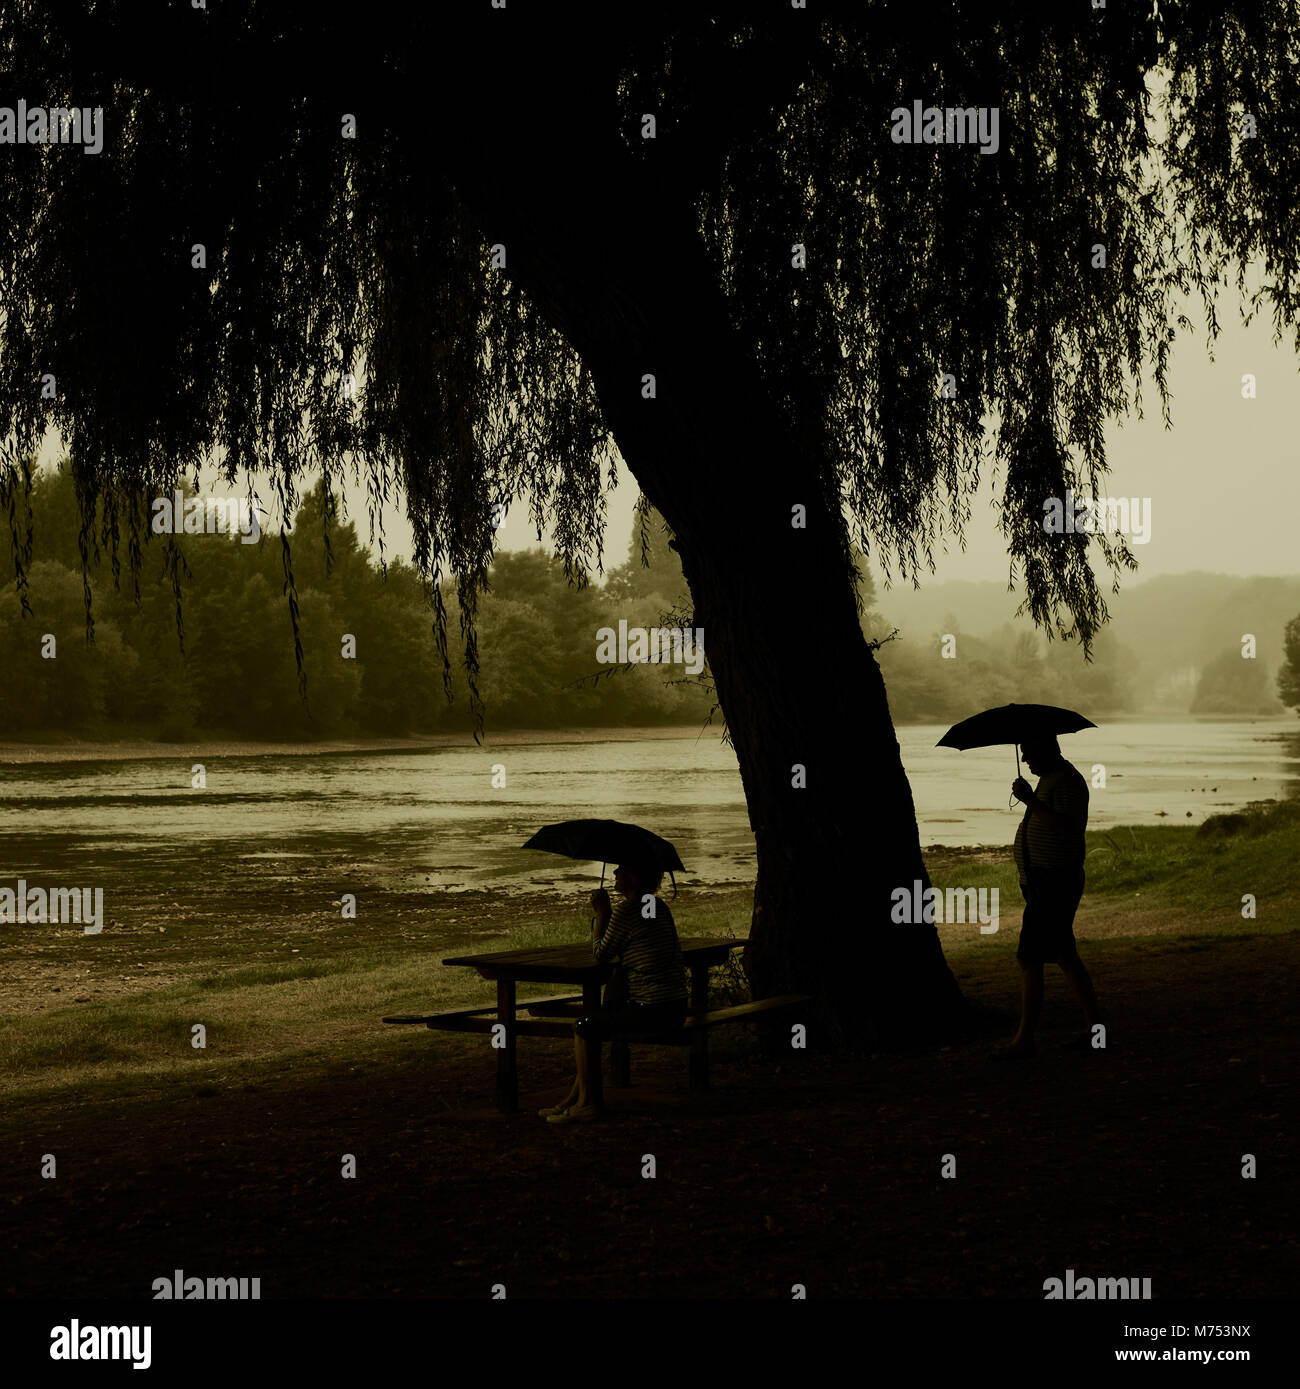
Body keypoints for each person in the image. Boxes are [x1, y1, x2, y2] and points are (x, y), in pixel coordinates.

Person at [540, 862, 689, 1123]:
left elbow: (601, 954)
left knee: (585, 1026)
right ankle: (572, 1100)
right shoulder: (658, 905)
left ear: (634, 877)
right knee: (596, 1021)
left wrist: (602, 913)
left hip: (652, 1010)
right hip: (675, 1007)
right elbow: (638, 942)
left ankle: (587, 1104)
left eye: (622, 869)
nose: (615, 873)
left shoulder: (627, 910)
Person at [992, 735, 1104, 1061]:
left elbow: (1067, 828)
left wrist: (1030, 800)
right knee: (1065, 955)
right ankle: (1096, 1031)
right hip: (1045, 882)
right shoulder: (1052, 778)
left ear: (1046, 750)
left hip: (1055, 882)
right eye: (1023, 754)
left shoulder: (1066, 781)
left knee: (1030, 958)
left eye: (1029, 753)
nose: (1025, 760)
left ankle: (1025, 1040)